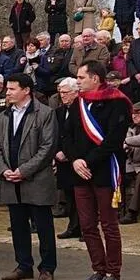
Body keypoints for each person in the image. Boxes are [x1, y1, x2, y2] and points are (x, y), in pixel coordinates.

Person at [65, 60, 131, 280]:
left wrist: (88, 160)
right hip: (80, 172)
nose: (78, 81)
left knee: (108, 224)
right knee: (87, 225)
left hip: (104, 170)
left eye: (81, 77)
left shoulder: (117, 102)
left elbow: (113, 140)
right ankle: (98, 269)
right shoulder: (78, 104)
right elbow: (67, 136)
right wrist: (75, 160)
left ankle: (114, 272)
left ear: (95, 78)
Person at [0, 73, 59, 280]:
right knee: (18, 226)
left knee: (43, 226)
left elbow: (47, 147)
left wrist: (23, 170)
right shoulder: (4, 116)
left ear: (26, 90)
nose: (7, 93)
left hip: (36, 180)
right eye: (7, 89)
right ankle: (23, 265)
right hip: (11, 180)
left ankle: (47, 268)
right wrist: (3, 170)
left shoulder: (45, 113)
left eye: (12, 89)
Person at [52, 78, 81, 239]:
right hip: (62, 160)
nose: (62, 95)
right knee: (69, 196)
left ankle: (84, 228)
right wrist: (57, 151)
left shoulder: (83, 110)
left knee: (81, 196)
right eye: (60, 92)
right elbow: (55, 134)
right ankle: (73, 226)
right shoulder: (59, 111)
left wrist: (69, 153)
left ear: (76, 92)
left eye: (65, 92)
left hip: (77, 160)